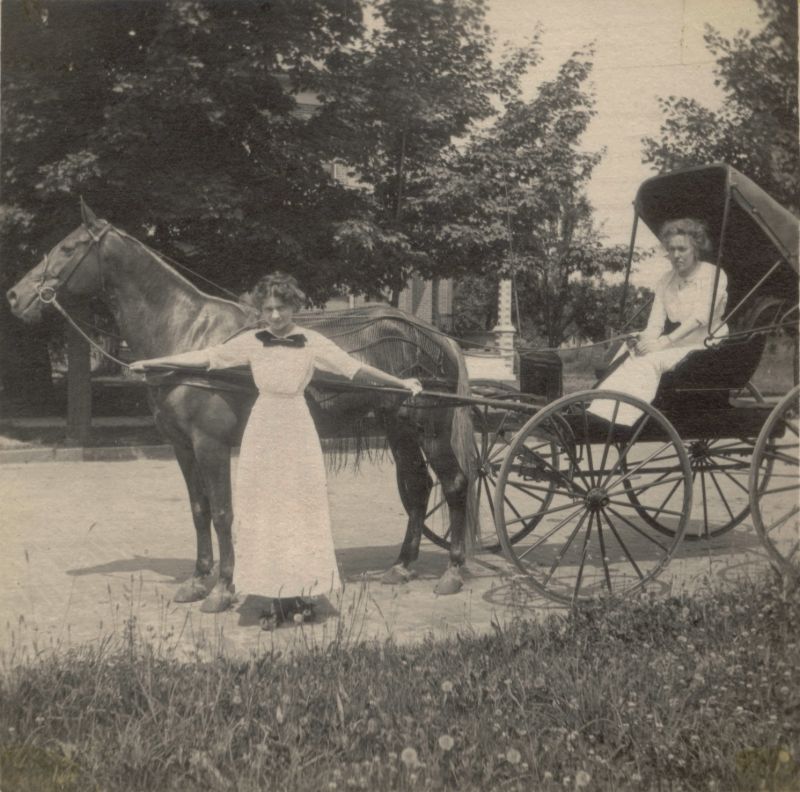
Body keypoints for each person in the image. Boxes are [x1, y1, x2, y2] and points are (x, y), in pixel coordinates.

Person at [130, 272, 423, 629]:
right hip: (263, 431)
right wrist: (153, 364)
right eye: (267, 309)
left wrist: (401, 383)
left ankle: (303, 593)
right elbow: (208, 357)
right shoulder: (252, 342)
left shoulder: (312, 342)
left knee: (300, 511)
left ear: (294, 307)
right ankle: (272, 595)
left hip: (297, 429)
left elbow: (355, 370)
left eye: (281, 308)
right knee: (265, 512)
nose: (274, 316)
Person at [590, 217, 728, 426]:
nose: (676, 255)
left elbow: (700, 318)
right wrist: (642, 340)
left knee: (649, 361)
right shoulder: (665, 281)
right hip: (681, 343)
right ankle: (600, 410)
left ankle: (623, 418)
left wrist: (662, 343)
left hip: (707, 344)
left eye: (682, 249)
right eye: (671, 250)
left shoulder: (713, 274)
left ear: (695, 249)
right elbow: (655, 324)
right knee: (628, 354)